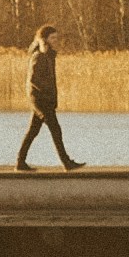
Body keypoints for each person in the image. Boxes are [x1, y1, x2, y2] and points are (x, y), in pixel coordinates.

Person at [16, 24, 83, 171]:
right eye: (52, 38)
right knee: (55, 129)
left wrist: (52, 98)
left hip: (45, 99)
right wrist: (47, 95)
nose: (55, 40)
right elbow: (34, 80)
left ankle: (20, 163)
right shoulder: (39, 56)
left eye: (56, 37)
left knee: (33, 131)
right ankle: (66, 163)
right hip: (40, 99)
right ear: (44, 39)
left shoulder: (49, 55)